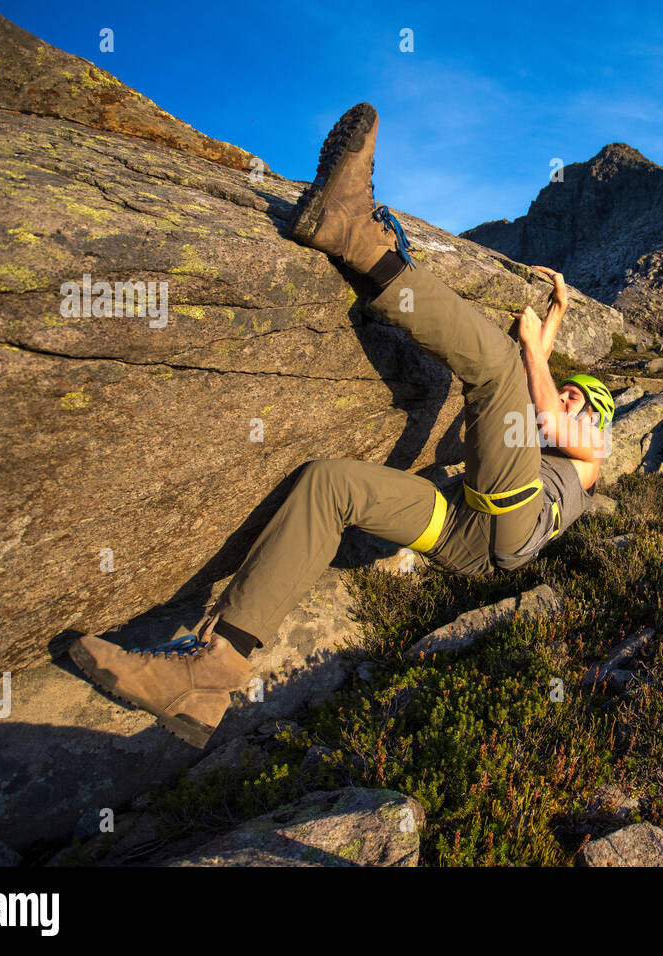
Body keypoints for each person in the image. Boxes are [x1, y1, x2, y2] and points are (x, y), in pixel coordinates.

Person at [69, 103, 617, 748]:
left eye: (584, 398)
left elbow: (540, 402)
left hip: (510, 521)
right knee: (331, 486)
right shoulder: (535, 446)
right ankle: (210, 674)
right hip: (471, 536)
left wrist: (528, 345)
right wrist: (552, 318)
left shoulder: (593, 449)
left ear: (599, 413)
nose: (570, 403)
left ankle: (353, 235)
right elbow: (535, 403)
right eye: (572, 392)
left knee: (496, 366)